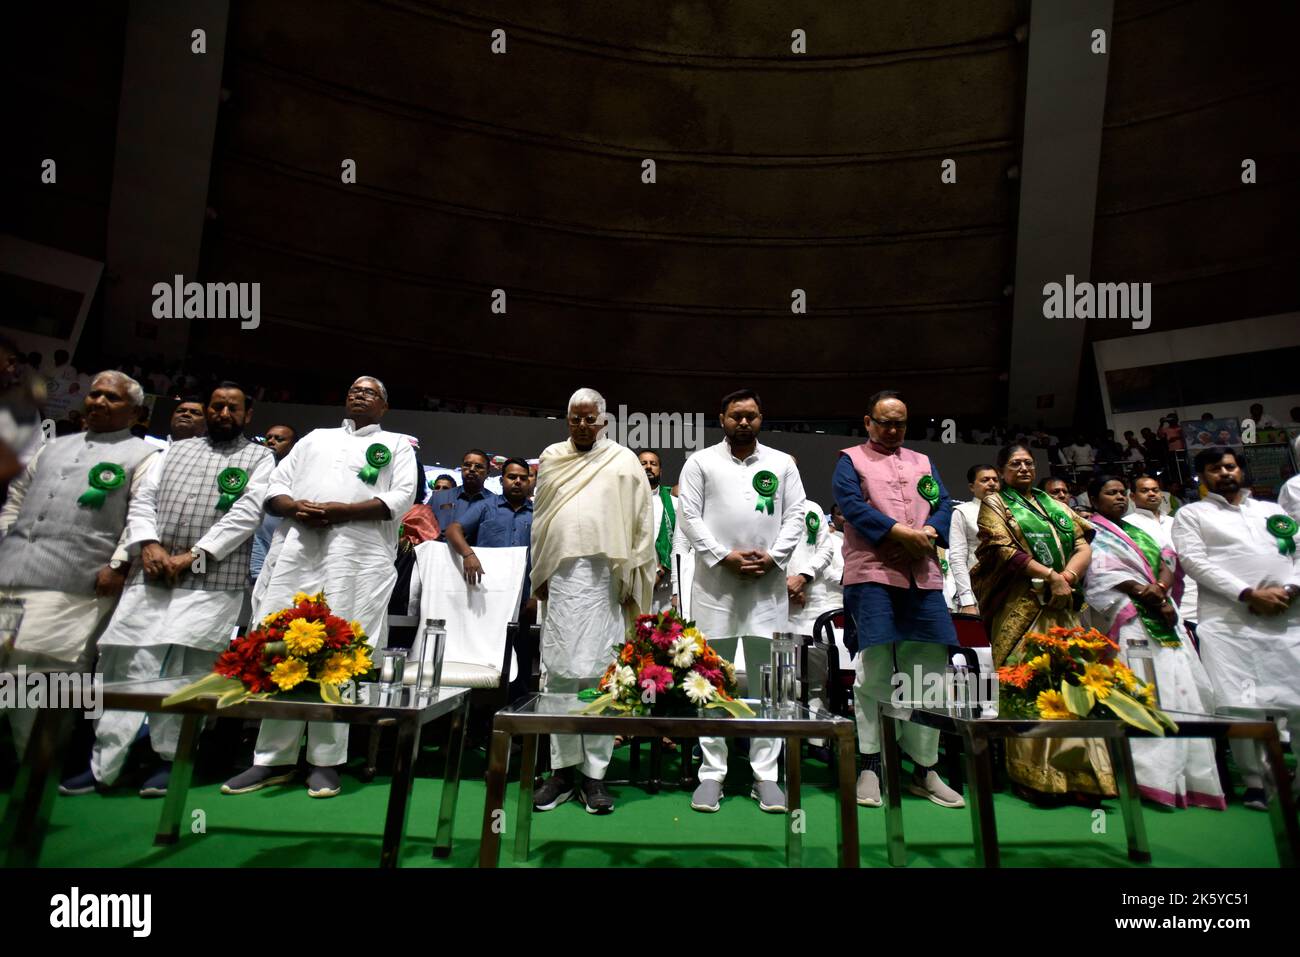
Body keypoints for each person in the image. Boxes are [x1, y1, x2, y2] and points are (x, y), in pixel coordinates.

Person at [60, 382, 274, 797]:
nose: (223, 414)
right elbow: (142, 501)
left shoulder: (261, 457)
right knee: (125, 667)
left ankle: (167, 760)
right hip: (152, 573)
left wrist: (192, 556)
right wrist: (151, 545)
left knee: (189, 674)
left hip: (212, 582)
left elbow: (246, 515)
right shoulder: (170, 450)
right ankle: (105, 763)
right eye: (216, 407)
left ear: (248, 415)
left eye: (232, 408)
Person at [222, 377, 417, 799]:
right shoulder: (314, 439)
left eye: (370, 392)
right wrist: (295, 507)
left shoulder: (398, 444)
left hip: (356, 560)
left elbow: (402, 498)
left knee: (339, 653)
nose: (359, 395)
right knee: (282, 644)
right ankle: (271, 759)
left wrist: (342, 510)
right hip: (299, 551)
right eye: (353, 389)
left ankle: (326, 761)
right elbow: (276, 488)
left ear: (384, 406)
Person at [0, 372, 158, 757]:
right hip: (11, 572)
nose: (99, 402)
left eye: (112, 398)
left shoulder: (147, 456)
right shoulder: (51, 446)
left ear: (135, 412)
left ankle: (36, 771)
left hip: (75, 583)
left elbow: (142, 513)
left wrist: (120, 564)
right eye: (95, 394)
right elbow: (16, 500)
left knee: (43, 680)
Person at [833, 390, 965, 810]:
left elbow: (943, 503)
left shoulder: (922, 462)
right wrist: (898, 533)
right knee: (873, 671)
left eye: (900, 423)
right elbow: (851, 506)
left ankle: (924, 769)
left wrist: (925, 535)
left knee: (928, 674)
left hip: (923, 578)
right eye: (884, 422)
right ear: (868, 421)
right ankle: (870, 763)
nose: (892, 429)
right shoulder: (849, 459)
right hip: (872, 575)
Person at [678, 388, 806, 814]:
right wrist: (722, 557)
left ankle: (765, 776)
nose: (744, 422)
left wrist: (773, 558)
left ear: (761, 417)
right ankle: (712, 773)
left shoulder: (782, 463)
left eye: (751, 415)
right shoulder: (700, 462)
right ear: (722, 418)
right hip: (715, 588)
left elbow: (796, 514)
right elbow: (689, 517)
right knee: (709, 681)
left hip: (767, 589)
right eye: (736, 416)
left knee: (772, 681)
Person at [529, 388, 655, 814]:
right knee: (562, 673)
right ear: (567, 420)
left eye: (590, 419)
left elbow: (642, 519)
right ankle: (562, 772)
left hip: (606, 579)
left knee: (603, 676)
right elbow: (541, 520)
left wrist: (634, 574)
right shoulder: (551, 457)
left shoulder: (622, 460)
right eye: (575, 419)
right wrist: (539, 572)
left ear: (604, 420)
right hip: (561, 579)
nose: (582, 426)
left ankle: (595, 776)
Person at [972, 443, 1115, 803]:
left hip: (1063, 605)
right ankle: (1032, 775)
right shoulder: (996, 503)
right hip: (1022, 605)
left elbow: (1083, 543)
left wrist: (1065, 576)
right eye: (1015, 464)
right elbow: (1003, 550)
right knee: (1028, 684)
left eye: (1028, 463)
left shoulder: (1056, 505)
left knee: (1072, 682)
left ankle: (1081, 775)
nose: (1023, 468)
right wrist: (1049, 575)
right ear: (1002, 470)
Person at [1083, 474, 1223, 809]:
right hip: (1131, 619)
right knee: (1146, 692)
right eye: (1110, 492)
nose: (1119, 498)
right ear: (1094, 499)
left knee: (1183, 691)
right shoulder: (1092, 531)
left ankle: (1192, 778)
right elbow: (1101, 572)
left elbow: (1168, 560)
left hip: (1164, 615)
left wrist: (1161, 589)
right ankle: (1151, 778)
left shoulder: (1140, 531)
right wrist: (1143, 592)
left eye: (1121, 493)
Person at [1172, 448, 1300, 811]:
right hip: (1230, 623)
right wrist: (1248, 594)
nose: (1225, 473)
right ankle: (1257, 781)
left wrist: (1290, 590)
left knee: (1299, 702)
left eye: (1230, 466)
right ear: (1202, 477)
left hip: (1288, 618)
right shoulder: (1191, 515)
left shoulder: (1271, 512)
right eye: (1215, 469)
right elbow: (1194, 562)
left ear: (1241, 470)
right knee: (1242, 706)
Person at [1126, 475, 1196, 629]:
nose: (1151, 494)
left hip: (1192, 594)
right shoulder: (1128, 526)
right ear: (1132, 496)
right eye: (1145, 491)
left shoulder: (1176, 521)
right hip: (1158, 596)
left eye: (1155, 490)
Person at [249, 425, 298, 585]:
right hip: (253, 540)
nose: (271, 441)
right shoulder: (253, 468)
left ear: (293, 446)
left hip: (280, 541)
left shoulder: (298, 473)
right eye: (268, 438)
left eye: (279, 439)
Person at [951, 463, 999, 615]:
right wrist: (967, 601)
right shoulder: (962, 512)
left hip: (1012, 588)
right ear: (972, 487)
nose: (991, 483)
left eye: (995, 480)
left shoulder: (1012, 512)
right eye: (985, 480)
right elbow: (957, 558)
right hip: (979, 589)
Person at [428, 449, 498, 541]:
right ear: (461, 468)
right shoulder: (439, 498)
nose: (472, 469)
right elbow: (423, 527)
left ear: (488, 473)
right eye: (467, 465)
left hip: (479, 554)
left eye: (478, 466)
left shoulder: (496, 503)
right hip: (440, 553)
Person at [638, 449, 677, 613]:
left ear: (660, 471)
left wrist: (660, 572)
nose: (648, 467)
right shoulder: (623, 500)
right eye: (643, 463)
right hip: (634, 581)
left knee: (664, 636)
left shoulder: (673, 501)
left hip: (664, 584)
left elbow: (680, 542)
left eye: (653, 464)